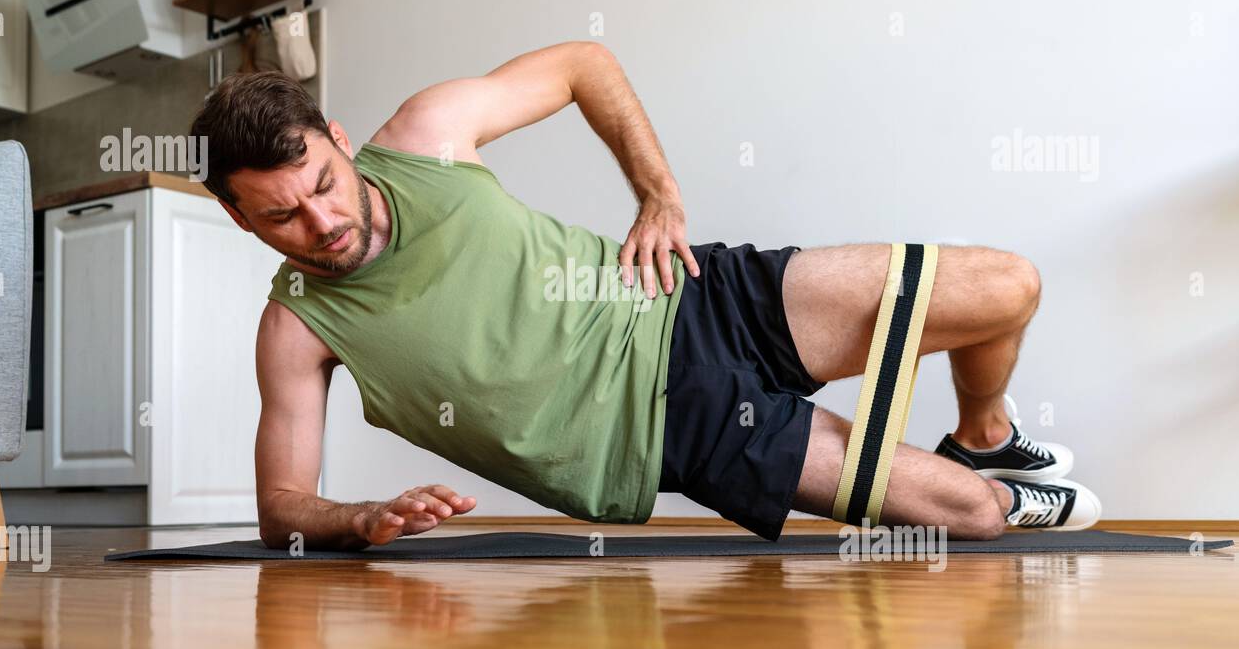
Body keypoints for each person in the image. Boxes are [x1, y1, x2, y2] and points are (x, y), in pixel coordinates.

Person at [188, 41, 1100, 550]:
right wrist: (357, 518)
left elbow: (586, 62)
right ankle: (985, 484)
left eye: (322, 184)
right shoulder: (297, 330)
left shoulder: (427, 133)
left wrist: (657, 195)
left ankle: (985, 438)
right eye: (281, 218)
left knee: (1006, 285)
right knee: (973, 520)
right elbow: (282, 507)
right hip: (668, 425)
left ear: (337, 139)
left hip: (685, 294)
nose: (321, 222)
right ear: (241, 221)